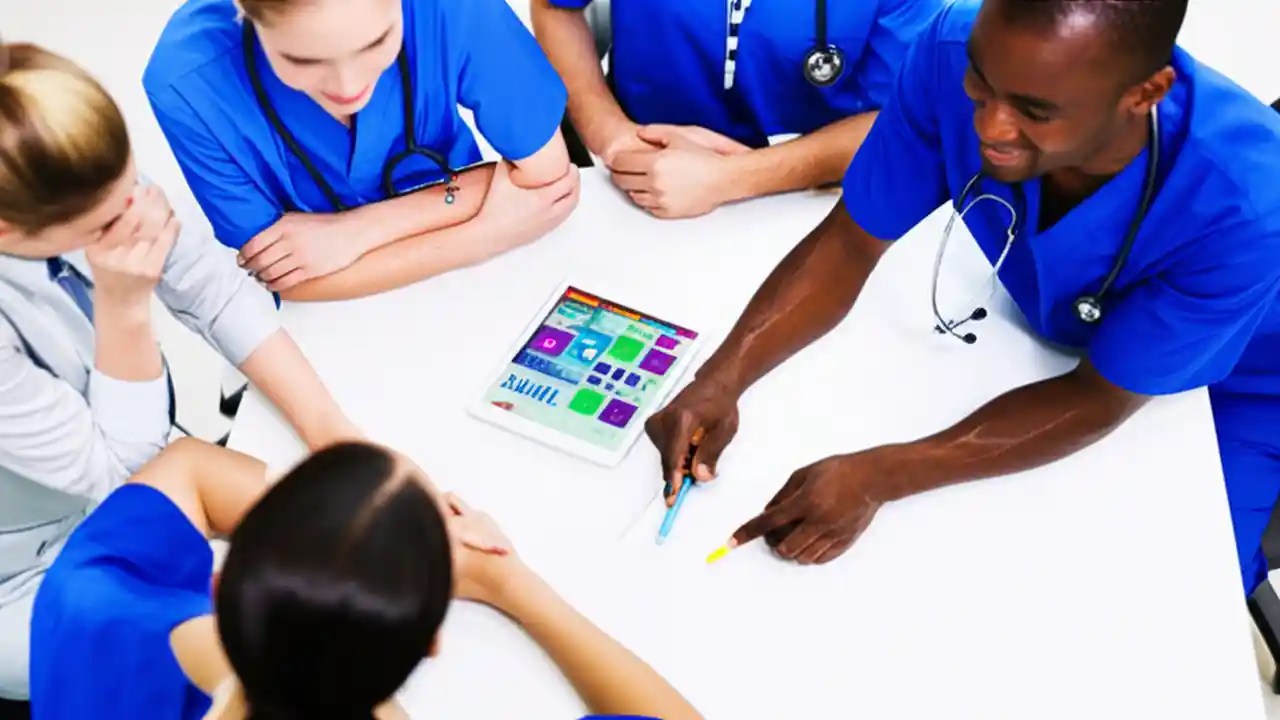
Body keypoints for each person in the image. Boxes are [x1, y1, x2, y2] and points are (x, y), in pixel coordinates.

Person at [645, 0, 1280, 597]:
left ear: (1145, 95)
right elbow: (849, 243)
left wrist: (878, 476)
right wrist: (721, 379)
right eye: (982, 84)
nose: (989, 126)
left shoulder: (1246, 203)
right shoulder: (956, 50)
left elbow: (1099, 396)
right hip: (1050, 332)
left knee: (1186, 587)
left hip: (1241, 381)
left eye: (1035, 110)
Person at [0, 43, 357, 701]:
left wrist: (334, 435)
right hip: (22, 578)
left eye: (131, 187)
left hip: (133, 460)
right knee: (259, 663)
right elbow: (120, 482)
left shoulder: (92, 180)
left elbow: (213, 290)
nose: (135, 215)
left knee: (350, 532)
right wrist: (124, 304)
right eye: (108, 222)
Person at [27, 438, 703, 720]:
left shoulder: (86, 595)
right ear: (429, 645)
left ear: (223, 576)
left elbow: (187, 466)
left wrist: (343, 538)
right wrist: (511, 585)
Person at [144, 0, 580, 301]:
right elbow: (289, 278)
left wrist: (358, 231)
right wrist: (486, 232)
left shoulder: (450, 7)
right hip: (333, 320)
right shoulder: (186, 82)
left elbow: (544, 179)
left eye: (376, 43)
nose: (349, 87)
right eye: (303, 61)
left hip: (482, 283)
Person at [530, 0, 944, 219]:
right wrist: (612, 135)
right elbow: (555, 6)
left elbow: (901, 122)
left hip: (814, 196)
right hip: (635, 175)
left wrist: (730, 179)